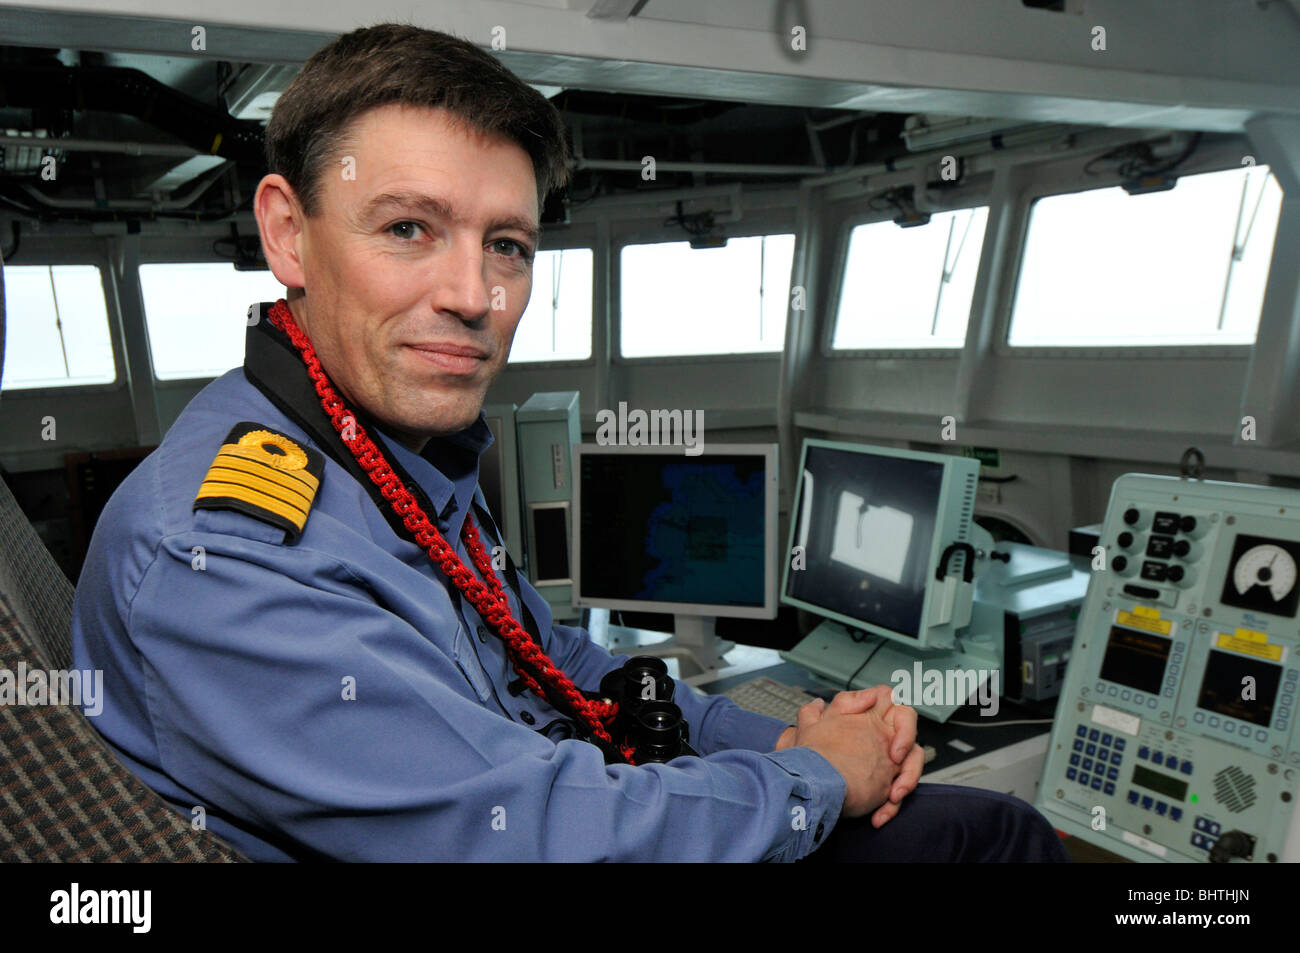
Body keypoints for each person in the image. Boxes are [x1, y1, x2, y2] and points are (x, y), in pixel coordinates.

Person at [71, 23, 1068, 862]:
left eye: (506, 244)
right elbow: (521, 829)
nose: (474, 295)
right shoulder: (220, 550)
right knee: (997, 840)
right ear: (288, 234)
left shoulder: (398, 460)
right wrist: (810, 781)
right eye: (409, 228)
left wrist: (789, 734)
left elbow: (556, 663)